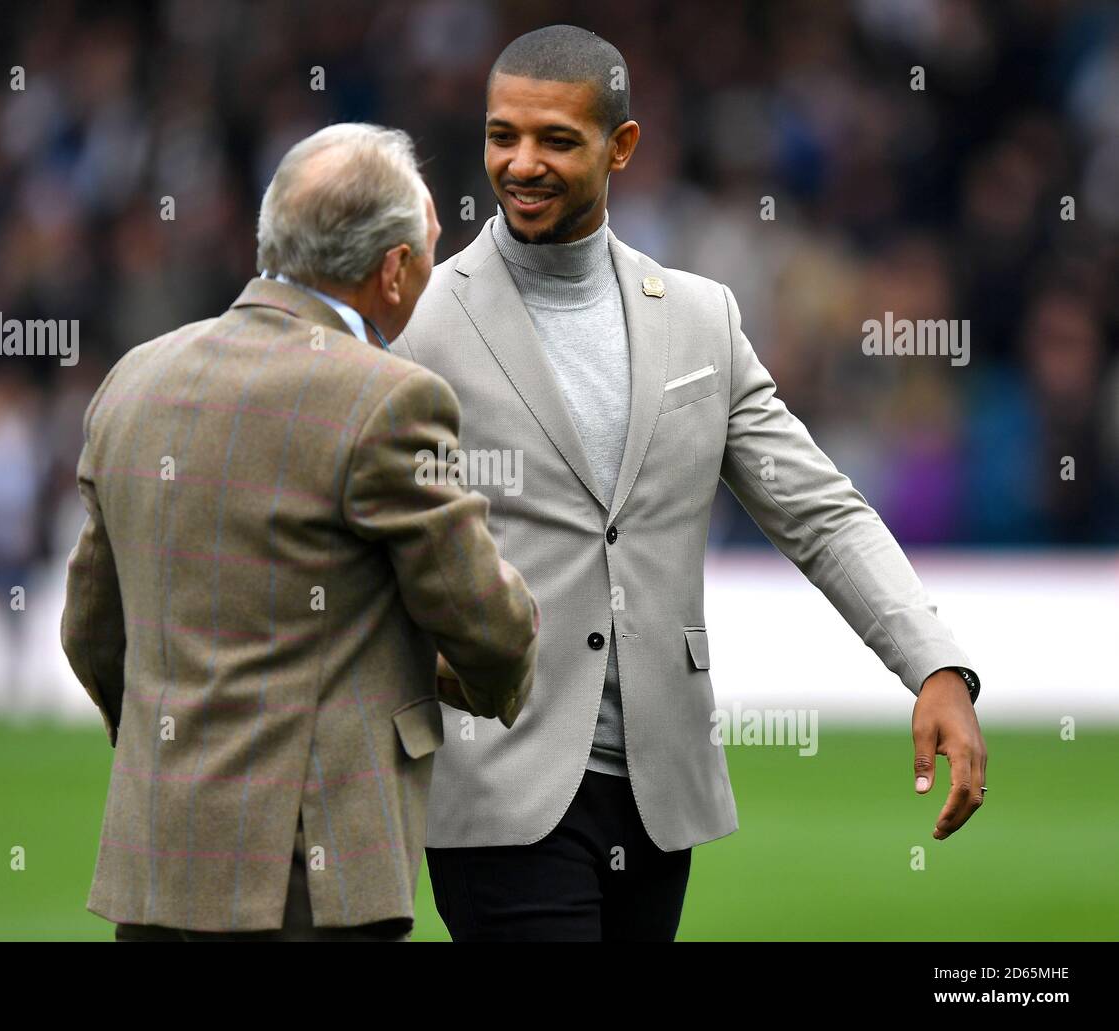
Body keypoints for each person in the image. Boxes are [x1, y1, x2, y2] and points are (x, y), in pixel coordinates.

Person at [394, 25, 987, 942]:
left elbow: (819, 510)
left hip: (658, 792)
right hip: (496, 788)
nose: (521, 162)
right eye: (502, 135)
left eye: (556, 139)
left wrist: (936, 666)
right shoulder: (420, 315)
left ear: (621, 146)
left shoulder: (702, 318)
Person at [60, 122, 540, 941]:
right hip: (309, 879)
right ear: (392, 270)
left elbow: (92, 633)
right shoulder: (390, 400)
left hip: (156, 871)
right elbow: (488, 626)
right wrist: (485, 687)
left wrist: (171, 753)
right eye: (428, 252)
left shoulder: (132, 381)